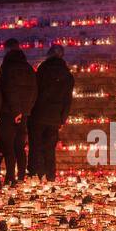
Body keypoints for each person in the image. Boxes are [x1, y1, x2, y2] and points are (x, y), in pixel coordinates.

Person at [29, 44, 74, 183]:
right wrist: (62, 118)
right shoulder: (67, 75)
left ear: (48, 55)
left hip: (38, 114)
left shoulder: (41, 71)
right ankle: (51, 176)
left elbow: (34, 93)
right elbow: (67, 100)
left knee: (36, 146)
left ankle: (38, 175)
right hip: (55, 117)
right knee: (49, 148)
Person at [0, 38, 37, 185]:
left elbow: (9, 89)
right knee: (20, 146)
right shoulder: (28, 67)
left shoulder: (7, 67)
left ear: (7, 50)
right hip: (24, 113)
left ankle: (10, 177)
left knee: (8, 146)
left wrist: (16, 111)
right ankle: (21, 176)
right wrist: (26, 110)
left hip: (9, 112)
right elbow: (34, 91)